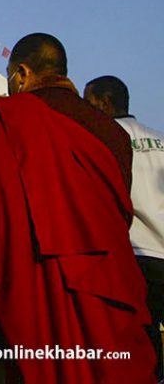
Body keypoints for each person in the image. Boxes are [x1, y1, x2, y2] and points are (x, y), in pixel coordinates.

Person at [0, 33, 155, 383]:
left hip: (30, 283)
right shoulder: (109, 131)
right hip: (109, 277)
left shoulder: (3, 125)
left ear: (22, 73)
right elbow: (117, 210)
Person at [85, 75, 164, 382]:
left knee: (140, 342)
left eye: (89, 104)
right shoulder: (159, 139)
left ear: (105, 104)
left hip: (134, 254)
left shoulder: (104, 141)